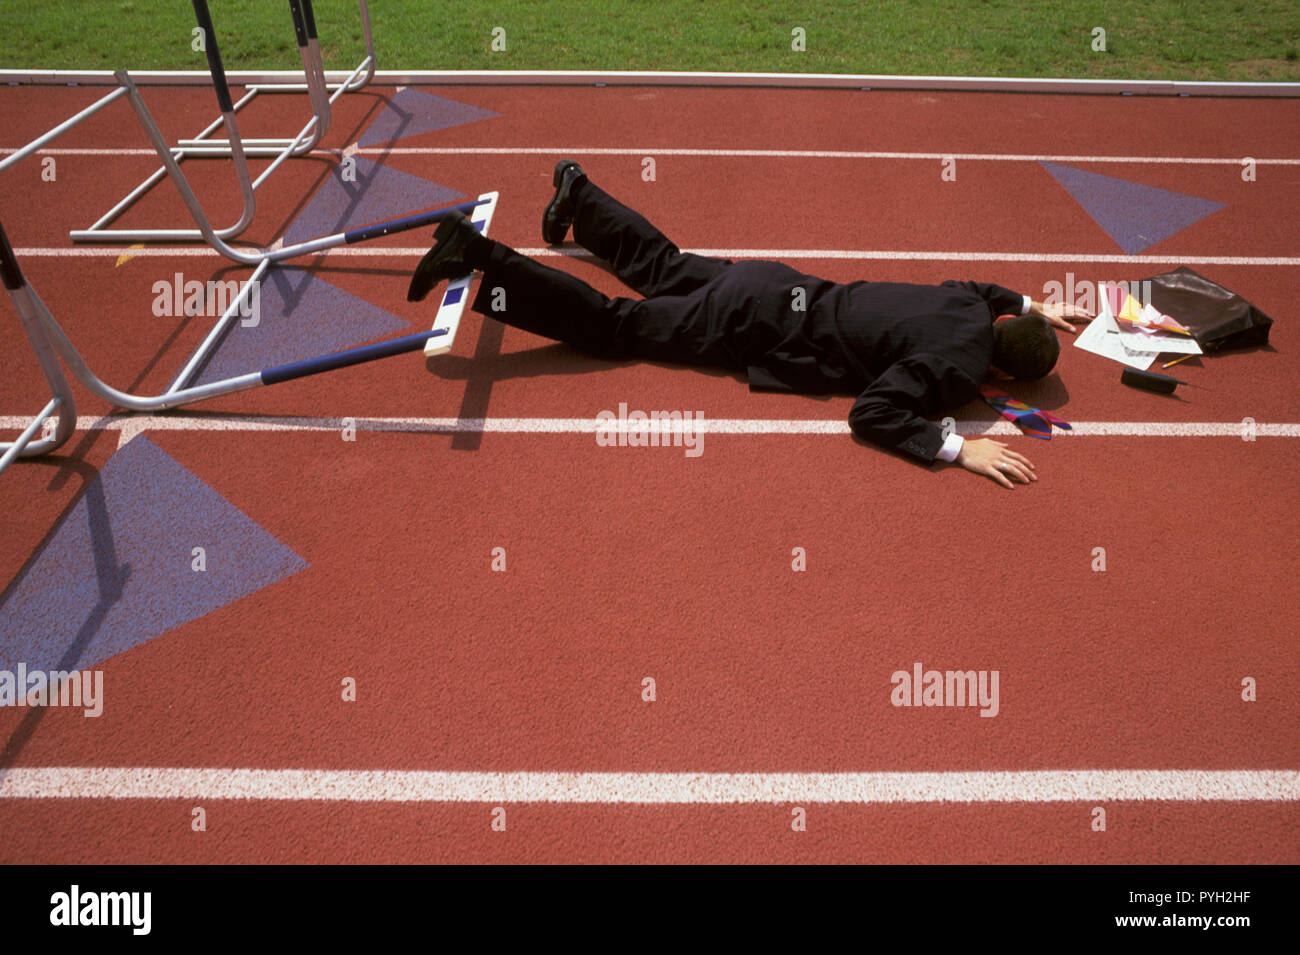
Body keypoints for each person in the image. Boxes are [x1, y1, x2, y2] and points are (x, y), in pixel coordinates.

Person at [408, 161, 1092, 488]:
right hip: (756, 325)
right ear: (999, 371)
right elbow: (873, 412)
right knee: (619, 326)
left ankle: (580, 197)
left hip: (774, 281)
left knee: (668, 267)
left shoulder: (973, 305)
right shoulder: (958, 370)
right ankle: (479, 253)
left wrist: (1032, 304)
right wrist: (956, 447)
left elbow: (981, 286)